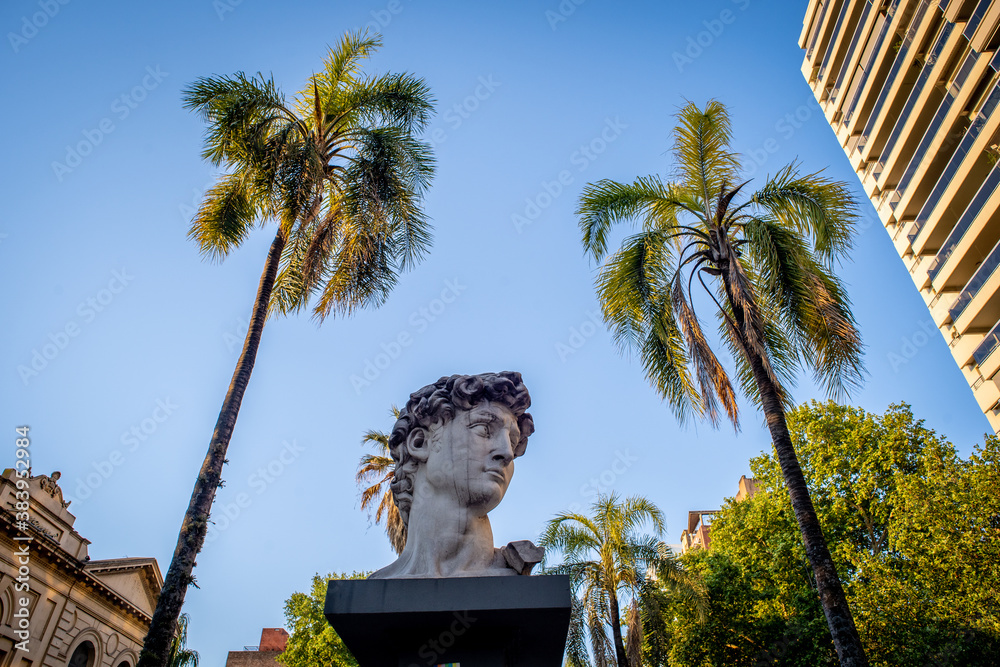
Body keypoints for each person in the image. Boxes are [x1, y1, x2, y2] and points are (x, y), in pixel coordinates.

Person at [370, 372, 542, 578]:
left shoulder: (515, 579)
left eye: (513, 442)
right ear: (420, 443)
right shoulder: (376, 589)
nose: (506, 452)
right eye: (484, 429)